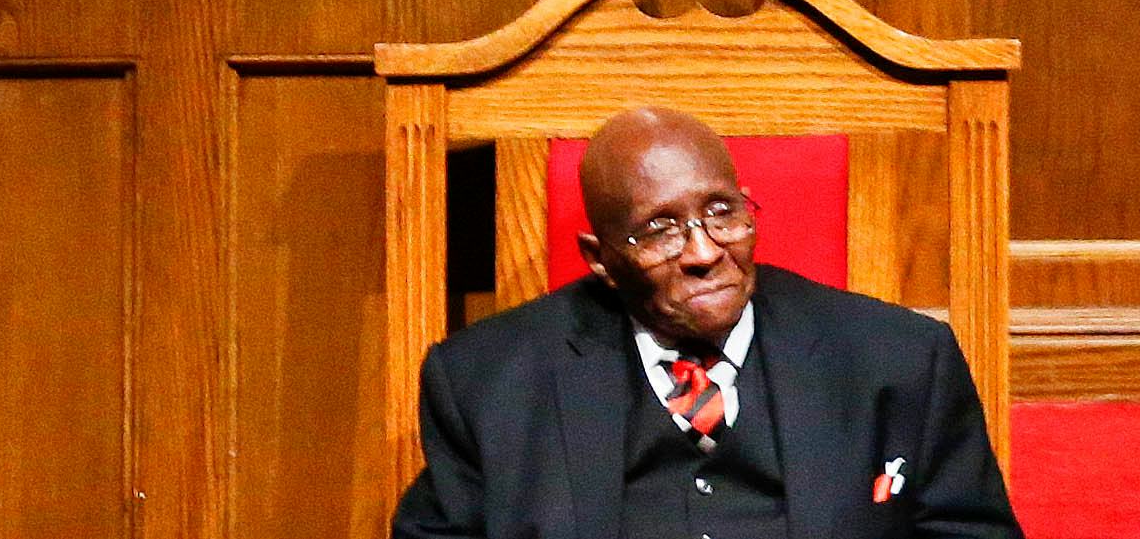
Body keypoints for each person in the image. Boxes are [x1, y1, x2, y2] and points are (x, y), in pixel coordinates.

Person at [391, 102, 1015, 539]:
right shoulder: (487, 381)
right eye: (659, 230)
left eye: (723, 212)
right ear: (600, 259)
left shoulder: (899, 359)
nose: (704, 252)